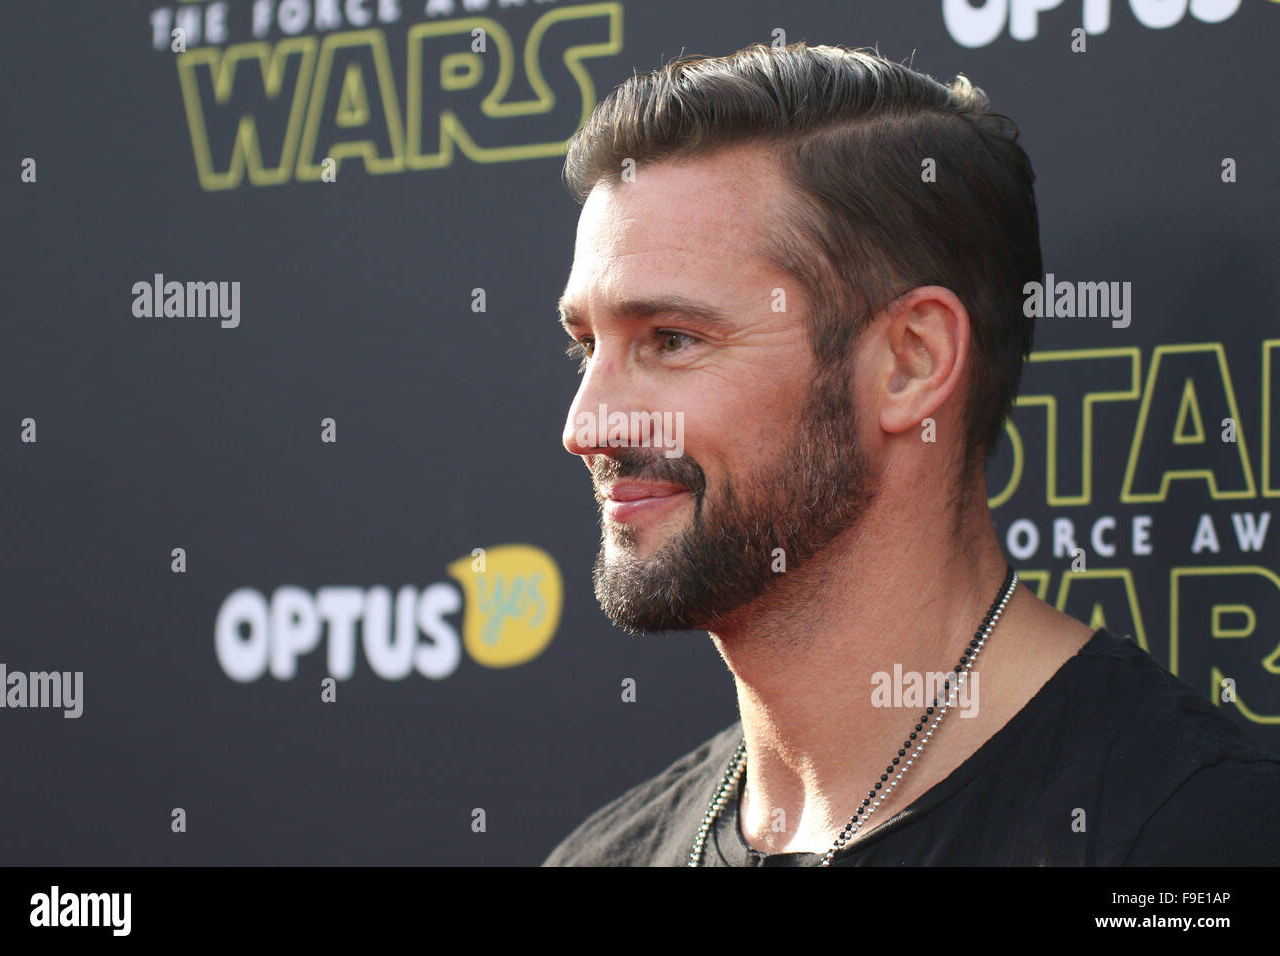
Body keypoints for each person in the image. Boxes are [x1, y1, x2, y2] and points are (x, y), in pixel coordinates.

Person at [543, 42, 1280, 866]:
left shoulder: (1197, 837)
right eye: (585, 347)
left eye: (671, 340)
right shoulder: (602, 856)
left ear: (910, 363)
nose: (587, 425)